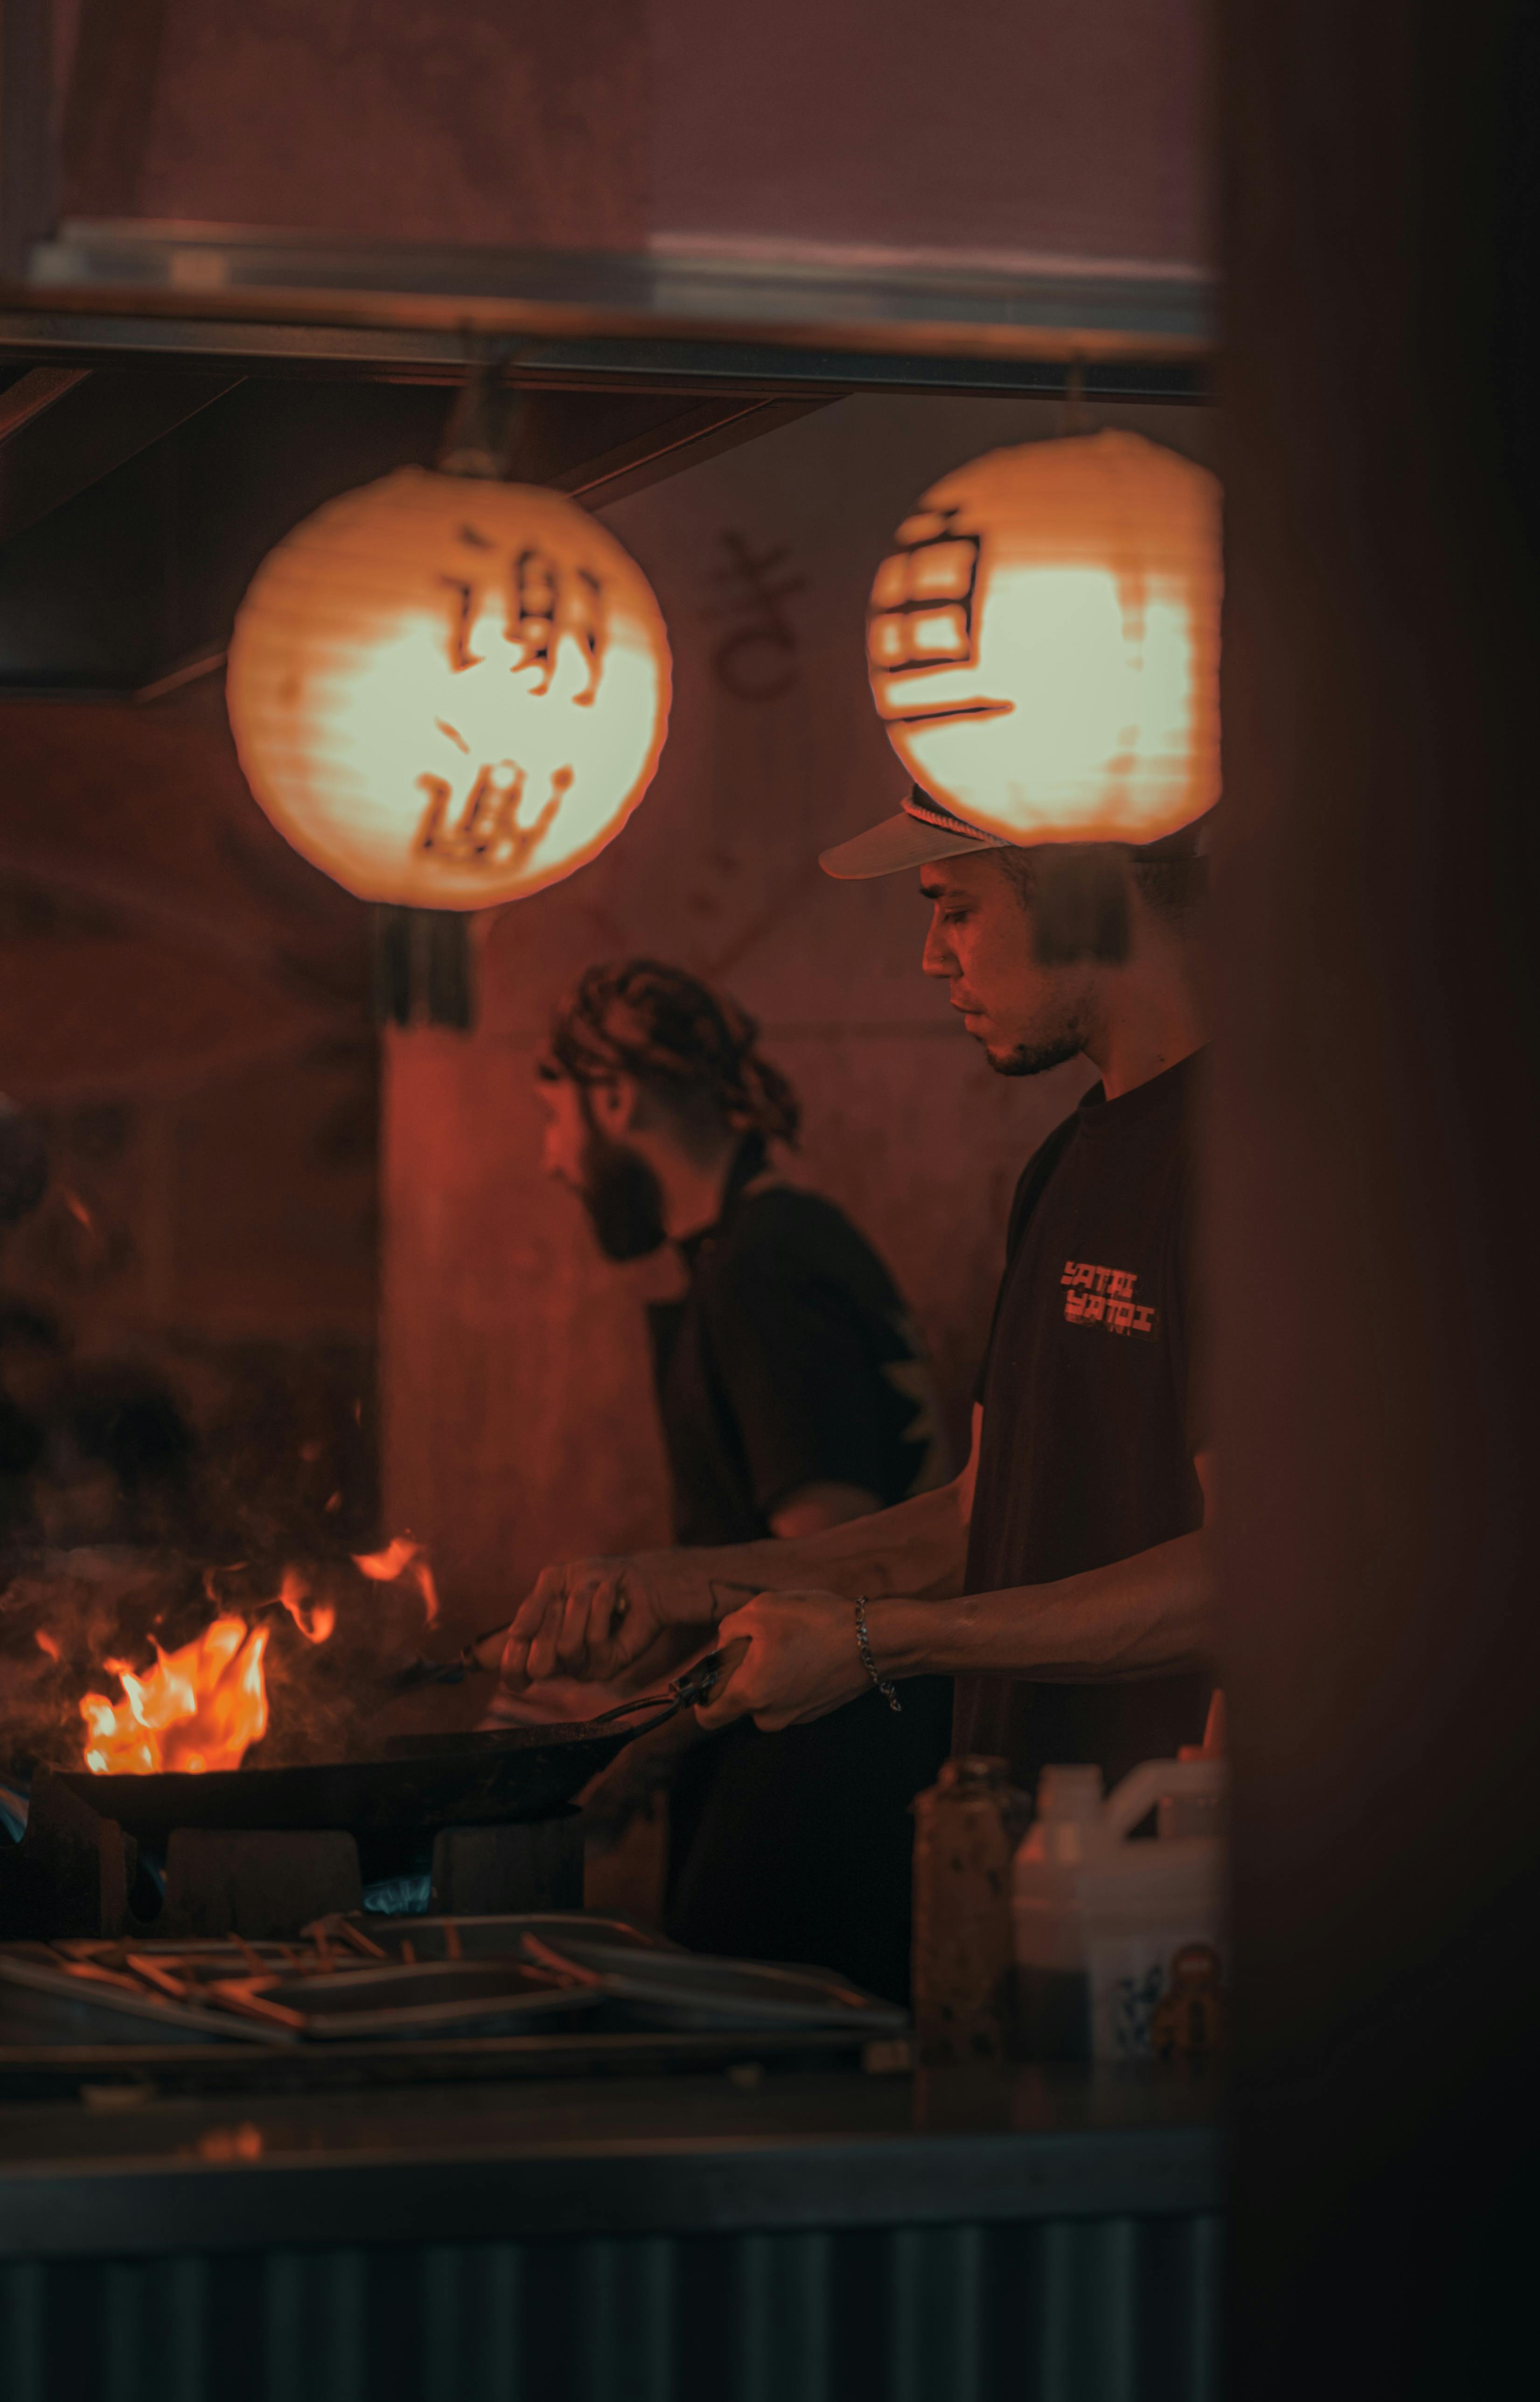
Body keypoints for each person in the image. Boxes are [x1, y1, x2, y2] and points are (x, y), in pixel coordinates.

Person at [496, 787, 1216, 1812]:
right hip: (1026, 1839)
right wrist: (691, 1581)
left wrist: (889, 1640)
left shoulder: (1251, 1161)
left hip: (1170, 1872)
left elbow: (1256, 1568)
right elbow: (976, 1516)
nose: (930, 957)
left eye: (955, 907)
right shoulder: (1063, 1162)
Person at [501, 957, 953, 1999]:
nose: (552, 1161)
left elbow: (822, 1558)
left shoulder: (766, 1265)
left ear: (615, 1099)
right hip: (791, 1742)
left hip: (822, 1773)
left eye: (552, 1119)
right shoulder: (757, 1246)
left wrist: (637, 1743)